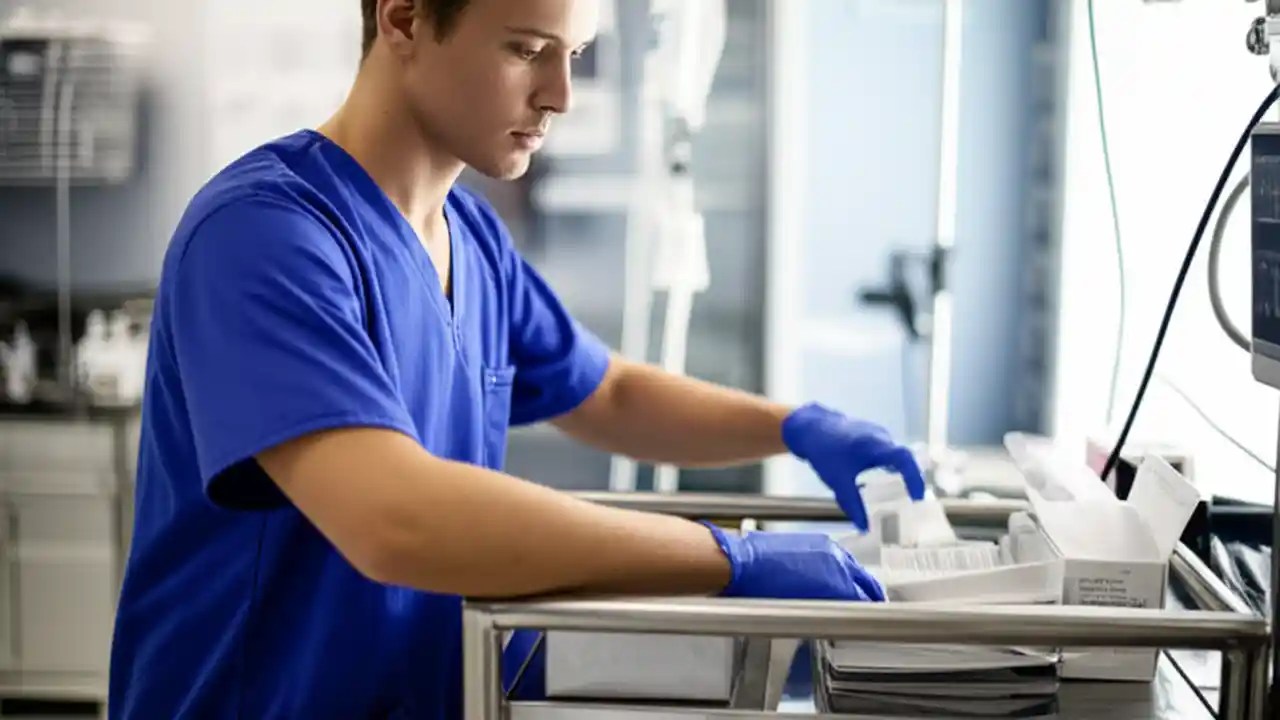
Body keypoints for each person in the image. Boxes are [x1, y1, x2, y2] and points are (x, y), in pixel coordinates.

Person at [106, 0, 926, 718]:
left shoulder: (472, 241)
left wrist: (796, 425)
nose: (559, 96)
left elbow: (608, 393)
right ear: (404, 18)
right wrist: (728, 561)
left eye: (571, 56)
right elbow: (396, 519)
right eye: (527, 50)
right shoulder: (267, 237)